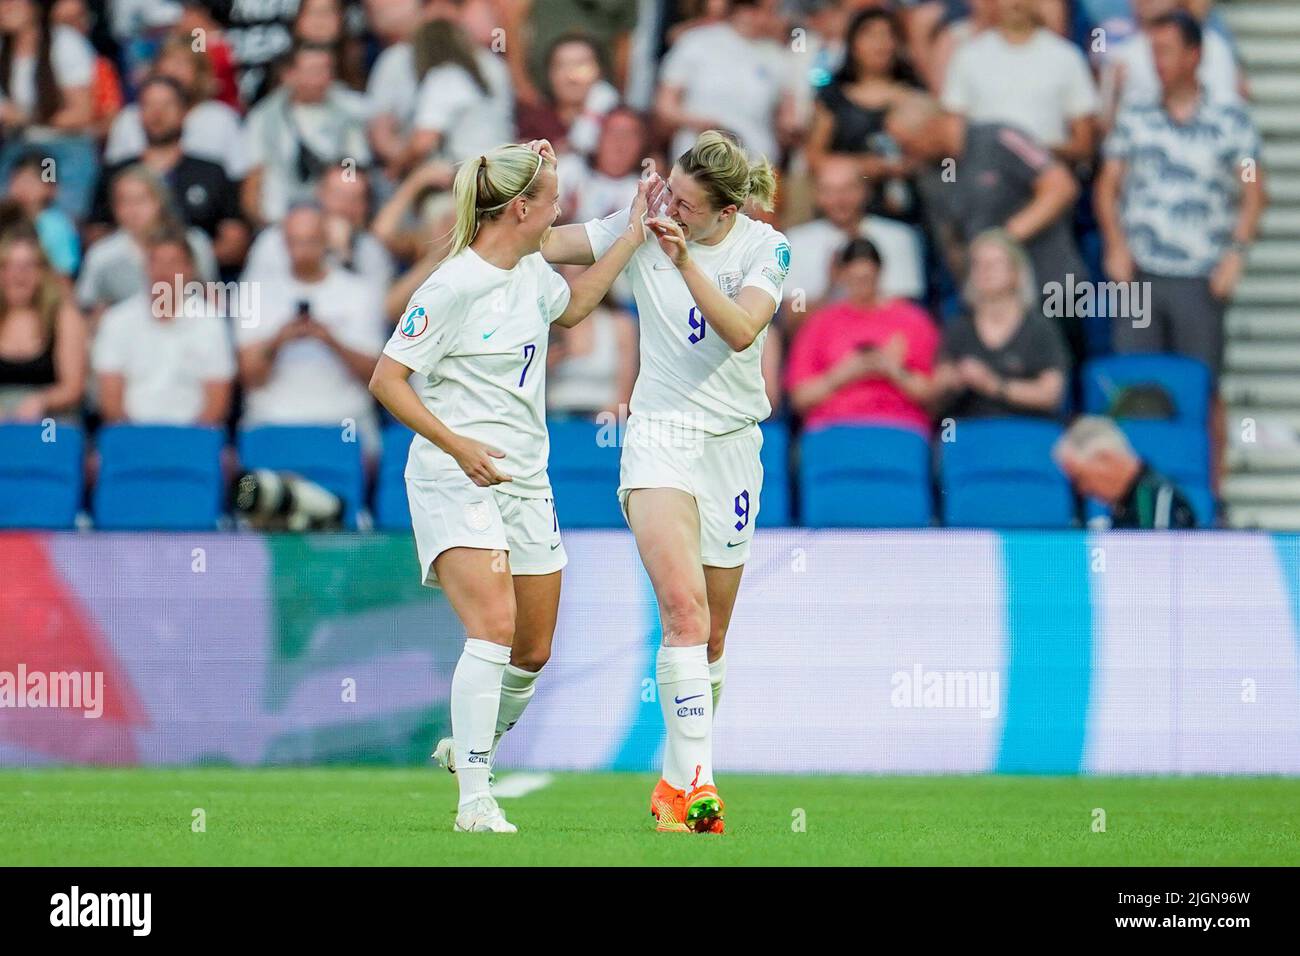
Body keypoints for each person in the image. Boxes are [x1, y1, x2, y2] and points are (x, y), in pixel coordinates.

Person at [368, 143, 653, 833]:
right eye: (552, 197)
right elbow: (386, 379)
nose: (560, 208)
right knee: (493, 630)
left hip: (524, 477)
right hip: (453, 473)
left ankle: (468, 746)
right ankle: (474, 797)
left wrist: (637, 229)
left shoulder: (529, 269)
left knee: (531, 650)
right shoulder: (451, 285)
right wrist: (457, 444)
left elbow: (578, 304)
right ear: (521, 208)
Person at [542, 130, 791, 834]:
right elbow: (543, 247)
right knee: (683, 614)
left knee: (710, 640)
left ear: (722, 212)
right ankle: (704, 785)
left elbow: (743, 330)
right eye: (667, 194)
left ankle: (674, 786)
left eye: (685, 204)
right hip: (658, 438)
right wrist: (502, 210)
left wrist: (683, 264)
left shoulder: (763, 248)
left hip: (733, 447)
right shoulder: (646, 221)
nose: (669, 210)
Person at [1094, 11, 1266, 486]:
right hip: (1142, 272)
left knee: (1203, 387)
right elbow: (1109, 185)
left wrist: (1236, 251)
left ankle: (1213, 496)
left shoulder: (1229, 121)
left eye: (1167, 51)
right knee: (1135, 385)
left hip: (1199, 273)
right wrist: (1115, 244)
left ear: (1195, 55)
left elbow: (1252, 188)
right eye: (1153, 52)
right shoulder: (1137, 117)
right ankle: (1131, 493)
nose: (1158, 62)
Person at [235, 204, 385, 454]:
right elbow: (250, 377)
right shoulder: (253, 292)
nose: (302, 251)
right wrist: (279, 340)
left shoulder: (360, 292)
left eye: (310, 241)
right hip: (271, 421)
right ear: (282, 242)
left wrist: (329, 340)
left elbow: (376, 377)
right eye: (294, 242)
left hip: (343, 422)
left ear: (326, 239)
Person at [786, 237, 939, 435]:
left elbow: (934, 396)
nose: (861, 286)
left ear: (880, 273)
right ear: (841, 276)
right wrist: (845, 373)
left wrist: (893, 370)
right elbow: (800, 398)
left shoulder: (913, 320)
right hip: (833, 427)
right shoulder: (820, 324)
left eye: (867, 278)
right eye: (854, 279)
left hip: (899, 425)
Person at [92, 229, 234, 426]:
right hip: (131, 438)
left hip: (192, 440)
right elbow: (110, 400)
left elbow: (217, 403)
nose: (163, 272)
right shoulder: (117, 321)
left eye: (172, 264)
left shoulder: (211, 323)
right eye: (155, 262)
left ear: (189, 270)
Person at [925, 229, 1068, 419]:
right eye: (978, 264)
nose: (985, 270)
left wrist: (993, 385)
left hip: (1026, 431)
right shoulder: (958, 328)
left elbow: (1051, 395)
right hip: (968, 429)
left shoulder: (1039, 328)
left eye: (995, 263)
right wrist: (950, 381)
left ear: (1016, 272)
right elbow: (934, 396)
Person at [940, 0, 1099, 164]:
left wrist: (1030, 152)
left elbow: (1084, 144)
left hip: (1046, 171)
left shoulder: (1067, 57)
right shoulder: (968, 56)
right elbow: (952, 137)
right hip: (985, 172)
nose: (1015, 3)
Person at [782, 155, 925, 332]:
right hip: (824, 346)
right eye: (829, 191)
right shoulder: (797, 243)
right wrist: (831, 285)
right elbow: (795, 322)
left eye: (848, 189)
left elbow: (904, 317)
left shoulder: (898, 238)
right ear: (816, 195)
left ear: (865, 190)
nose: (839, 200)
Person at [804, 7, 922, 221]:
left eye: (888, 35)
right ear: (853, 44)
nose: (881, 44)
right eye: (870, 35)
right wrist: (861, 167)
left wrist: (902, 166)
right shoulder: (833, 96)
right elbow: (813, 157)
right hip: (843, 208)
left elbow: (934, 155)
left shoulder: (915, 94)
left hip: (905, 207)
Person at [1054, 415, 1197, 528]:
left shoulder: (1159, 496)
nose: (1082, 490)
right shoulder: (1122, 505)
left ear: (1105, 459)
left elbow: (1158, 561)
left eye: (1080, 478)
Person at [0, 229, 84, 420]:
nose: (18, 275)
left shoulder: (63, 316)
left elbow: (73, 387)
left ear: (42, 272)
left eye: (28, 266)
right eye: (9, 266)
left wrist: (42, 400)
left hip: (48, 423)